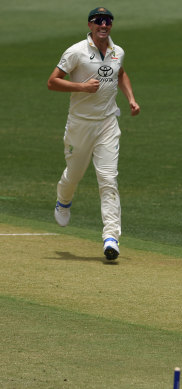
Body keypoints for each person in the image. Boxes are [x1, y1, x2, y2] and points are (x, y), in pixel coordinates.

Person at [48, 7, 140, 260]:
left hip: (108, 123)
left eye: (108, 21)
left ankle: (111, 237)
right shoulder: (76, 51)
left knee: (108, 179)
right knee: (74, 174)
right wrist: (81, 87)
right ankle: (63, 200)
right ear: (90, 25)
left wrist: (131, 99)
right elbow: (52, 81)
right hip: (80, 124)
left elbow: (121, 74)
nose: (104, 25)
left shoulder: (116, 51)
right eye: (99, 21)